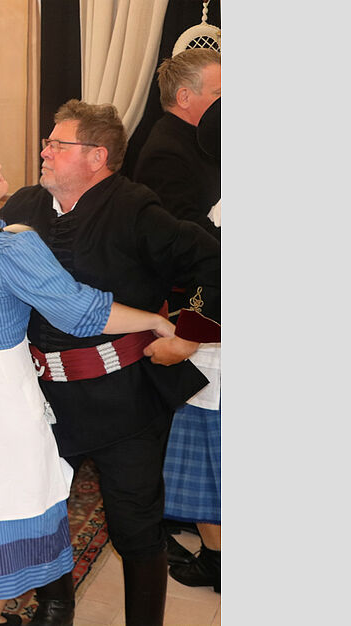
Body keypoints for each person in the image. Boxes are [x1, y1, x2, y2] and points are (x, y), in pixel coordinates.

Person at [0, 101, 220, 626]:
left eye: (57, 145)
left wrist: (190, 337)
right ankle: (54, 608)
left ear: (96, 156)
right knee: (41, 509)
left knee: (136, 527)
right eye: (47, 142)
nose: (43, 150)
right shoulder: (26, 204)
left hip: (123, 397)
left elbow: (213, 261)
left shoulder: (137, 209)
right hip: (39, 397)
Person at [136, 53, 223, 591]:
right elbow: (189, 247)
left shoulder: (203, 140)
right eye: (219, 93)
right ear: (186, 97)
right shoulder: (168, 150)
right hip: (193, 306)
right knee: (199, 440)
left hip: (211, 311)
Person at [133, 48, 221, 240]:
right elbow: (187, 234)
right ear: (184, 98)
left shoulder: (204, 136)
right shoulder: (164, 156)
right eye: (219, 94)